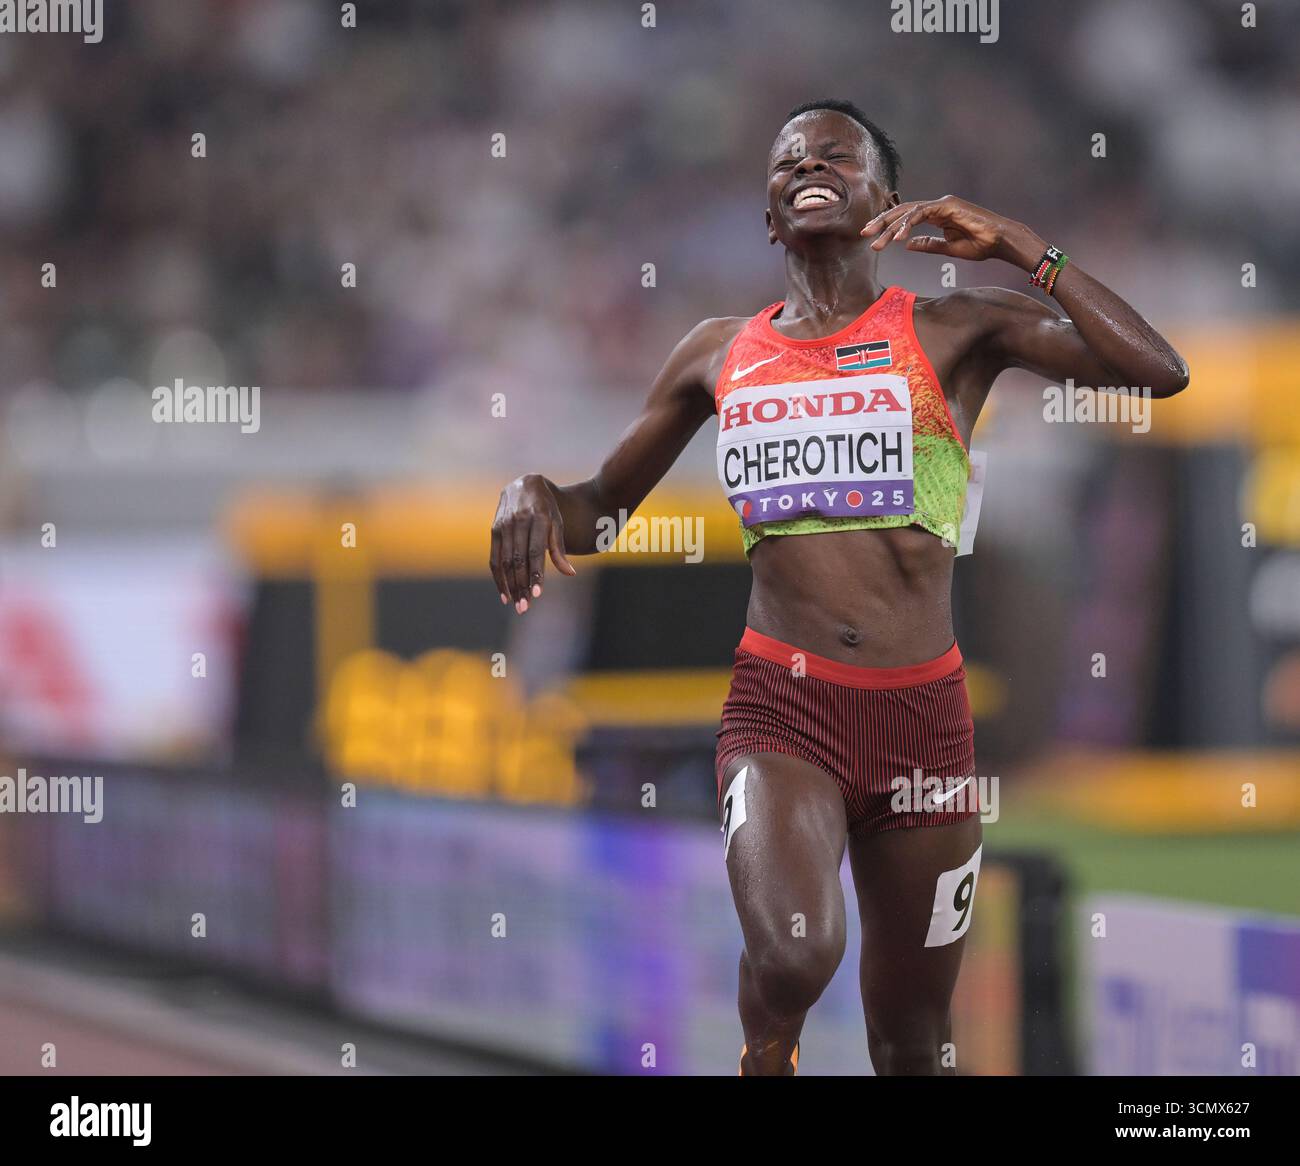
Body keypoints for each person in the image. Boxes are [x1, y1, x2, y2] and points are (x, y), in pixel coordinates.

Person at [489, 98, 1188, 1075]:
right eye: (787, 162)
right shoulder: (717, 351)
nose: (808, 165)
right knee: (795, 951)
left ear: (887, 203)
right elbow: (600, 507)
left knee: (913, 1036)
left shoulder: (957, 328)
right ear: (770, 219)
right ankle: (766, 1050)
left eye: (835, 155)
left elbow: (1155, 370)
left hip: (926, 721)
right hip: (786, 709)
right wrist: (530, 492)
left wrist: (1025, 249)